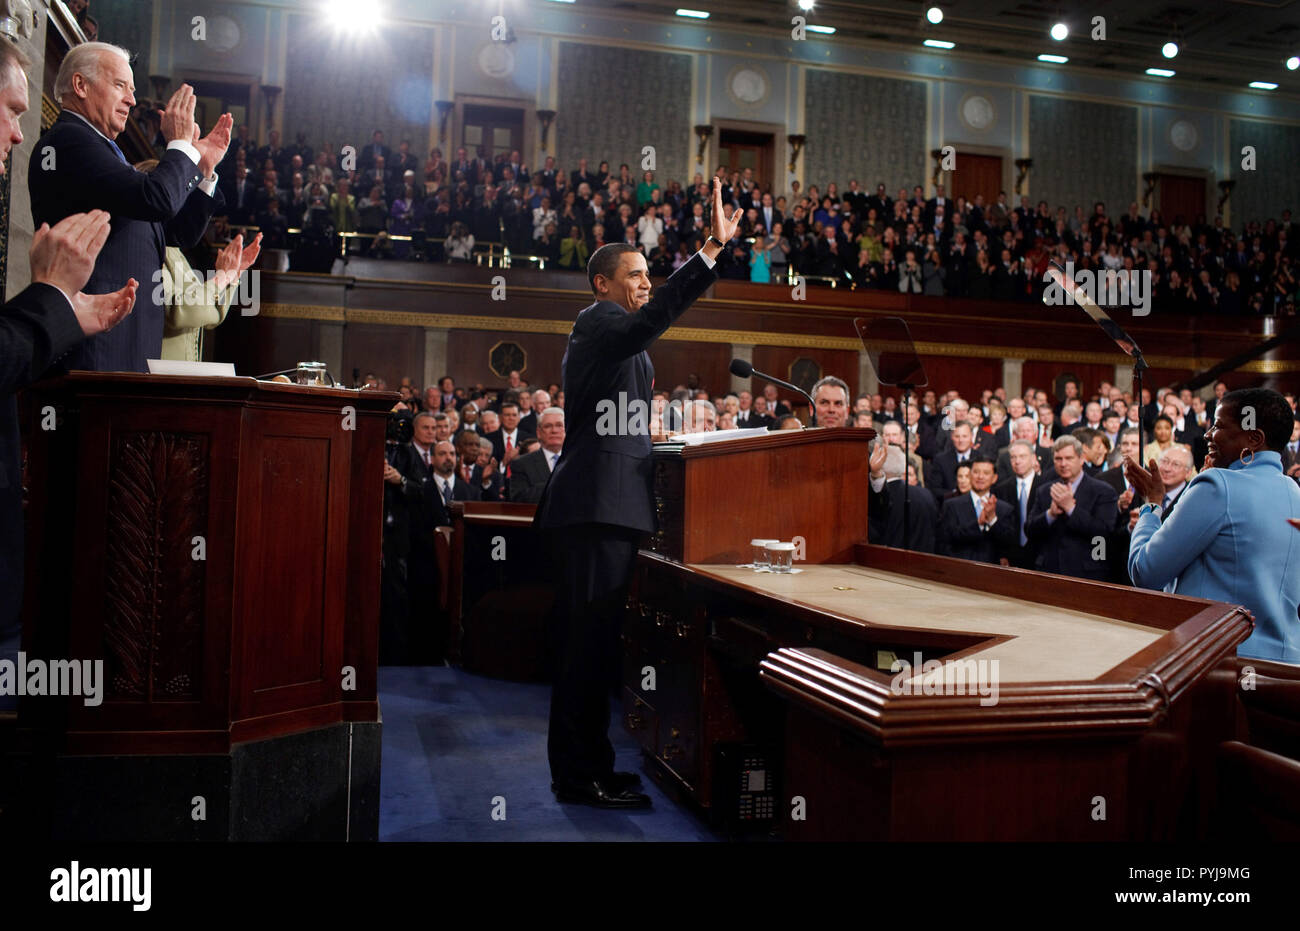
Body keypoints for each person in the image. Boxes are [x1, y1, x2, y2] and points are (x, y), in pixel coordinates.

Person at [533, 177, 741, 809]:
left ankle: (591, 766)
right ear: (603, 283)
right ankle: (577, 778)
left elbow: (614, 411)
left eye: (651, 273)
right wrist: (707, 251)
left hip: (611, 508)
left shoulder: (617, 335)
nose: (647, 282)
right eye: (636, 273)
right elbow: (651, 321)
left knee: (595, 650)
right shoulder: (601, 323)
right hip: (596, 509)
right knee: (584, 651)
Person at [0, 45, 140, 690]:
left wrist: (62, 310)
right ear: (84, 85)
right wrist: (51, 301)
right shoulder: (75, 147)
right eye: (7, 110)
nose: (17, 131)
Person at [29, 43, 228, 372]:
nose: (132, 100)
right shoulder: (68, 141)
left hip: (128, 341)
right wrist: (179, 145)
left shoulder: (106, 151)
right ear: (80, 86)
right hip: (97, 347)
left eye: (132, 90)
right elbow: (158, 199)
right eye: (120, 85)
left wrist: (204, 169)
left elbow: (179, 232)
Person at [1127, 388, 1300, 662]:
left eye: (1219, 425)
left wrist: (1151, 505)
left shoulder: (1217, 484)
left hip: (1217, 664)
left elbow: (1145, 572)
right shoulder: (1294, 491)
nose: (1208, 434)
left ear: (1253, 439)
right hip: (1284, 669)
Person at [1024, 435, 1119, 580]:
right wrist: (1050, 514)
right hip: (1049, 572)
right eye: (1058, 459)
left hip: (1087, 574)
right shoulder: (1044, 490)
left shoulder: (1103, 491)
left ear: (1081, 459)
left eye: (1069, 458)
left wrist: (1071, 509)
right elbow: (1029, 530)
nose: (1063, 464)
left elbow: (1103, 532)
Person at [509, 407, 564, 504]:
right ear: (539, 433)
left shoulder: (578, 462)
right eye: (548, 426)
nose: (554, 430)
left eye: (559, 425)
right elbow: (519, 498)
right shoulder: (521, 464)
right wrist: (557, 484)